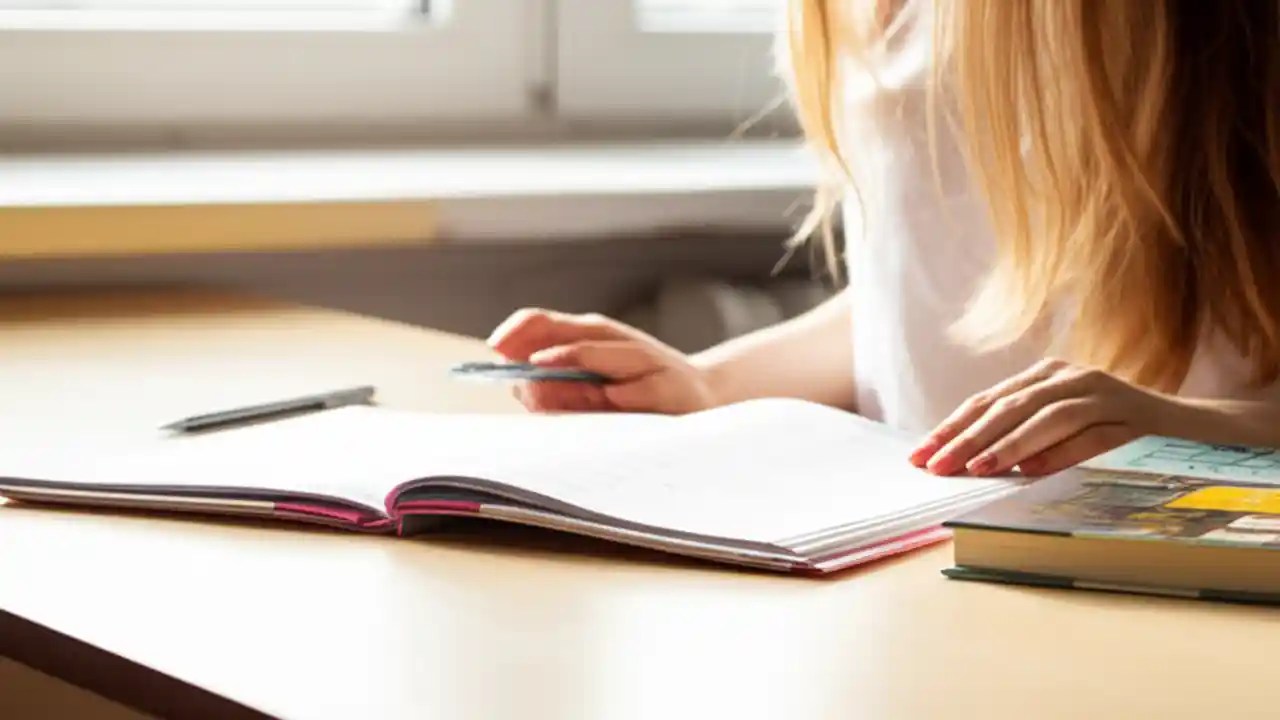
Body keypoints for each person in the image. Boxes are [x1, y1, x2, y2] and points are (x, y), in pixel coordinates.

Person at [488, 0, 1279, 478]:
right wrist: (709, 385)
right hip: (930, 561)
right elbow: (930, 294)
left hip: (1165, 572)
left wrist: (1191, 432)